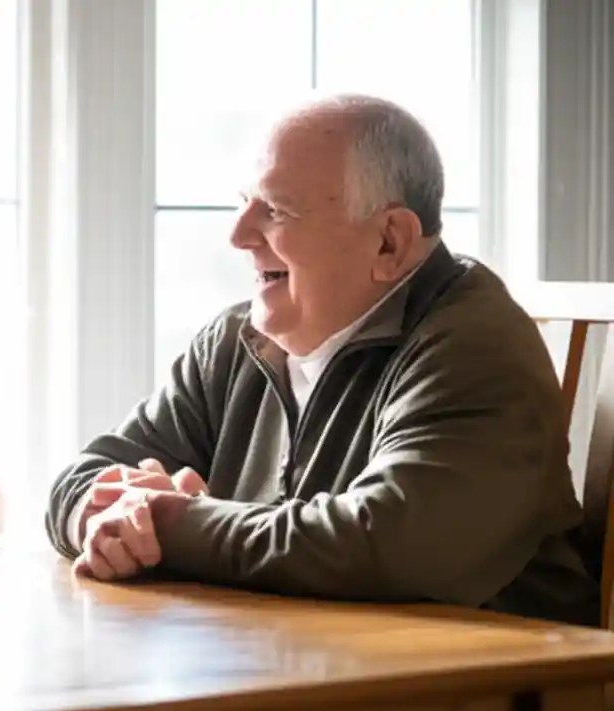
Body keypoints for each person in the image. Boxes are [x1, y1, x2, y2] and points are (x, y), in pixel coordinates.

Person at [45, 94, 599, 626]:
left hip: (484, 687)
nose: (237, 236)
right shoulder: (236, 341)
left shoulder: (476, 347)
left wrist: (171, 525)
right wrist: (106, 515)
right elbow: (81, 477)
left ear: (389, 241)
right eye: (243, 204)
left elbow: (385, 544)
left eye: (276, 211)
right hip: (301, 667)